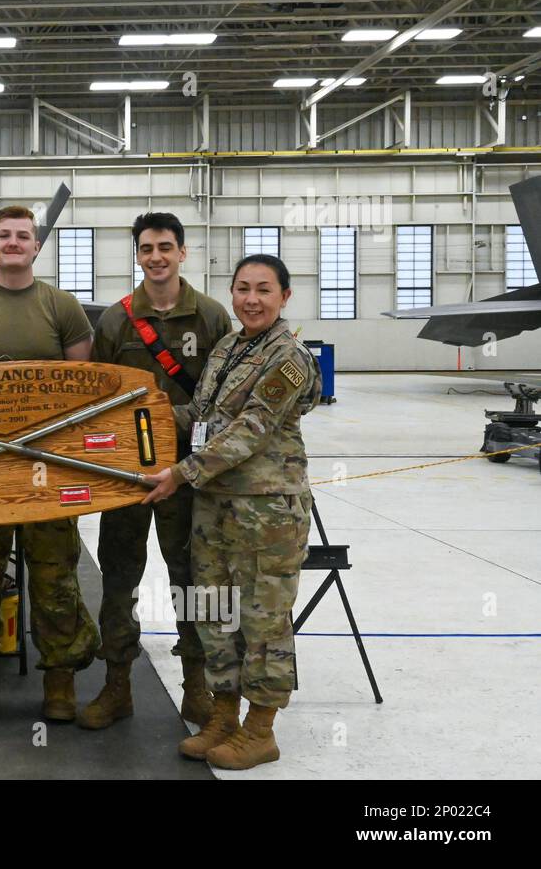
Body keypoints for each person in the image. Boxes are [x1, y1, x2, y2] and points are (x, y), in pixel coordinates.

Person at [139, 254, 321, 770]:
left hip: (265, 512)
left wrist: (179, 474)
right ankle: (223, 717)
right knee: (212, 611)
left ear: (284, 296)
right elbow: (202, 414)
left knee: (263, 621)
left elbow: (252, 429)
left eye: (264, 289)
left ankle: (260, 730)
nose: (251, 299)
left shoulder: (289, 358)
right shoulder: (228, 346)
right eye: (243, 288)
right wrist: (139, 415)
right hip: (214, 505)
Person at [0, 205, 100, 722]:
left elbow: (85, 389)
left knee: (55, 576)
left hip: (48, 468)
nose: (12, 242)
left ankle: (60, 681)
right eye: (3, 235)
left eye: (22, 235)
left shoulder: (63, 307)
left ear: (35, 246)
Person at [80, 213, 232, 731]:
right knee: (119, 576)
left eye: (165, 247)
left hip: (186, 473)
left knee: (190, 577)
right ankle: (116, 683)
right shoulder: (116, 321)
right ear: (138, 255)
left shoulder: (211, 318)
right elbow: (96, 398)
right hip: (126, 475)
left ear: (182, 253)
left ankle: (196, 684)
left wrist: (189, 452)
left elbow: (223, 401)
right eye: (147, 249)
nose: (156, 257)